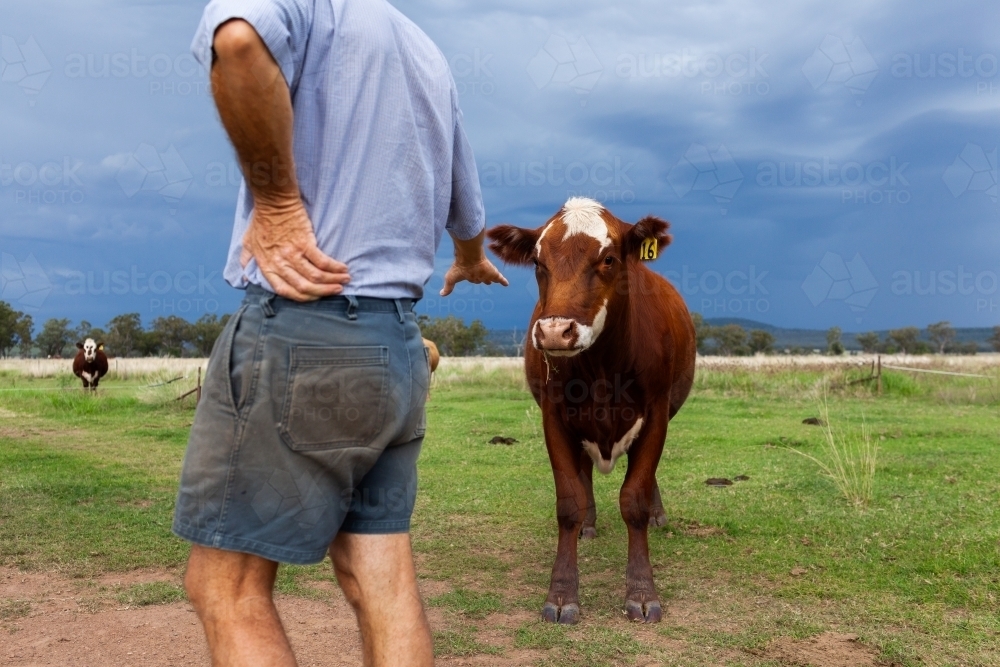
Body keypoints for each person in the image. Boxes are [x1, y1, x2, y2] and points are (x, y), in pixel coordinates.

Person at [172, 1, 507, 665]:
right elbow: (466, 204)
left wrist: (276, 203)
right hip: (397, 348)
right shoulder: (427, 53)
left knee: (226, 583)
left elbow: (237, 42)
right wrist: (468, 258)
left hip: (302, 329)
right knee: (378, 577)